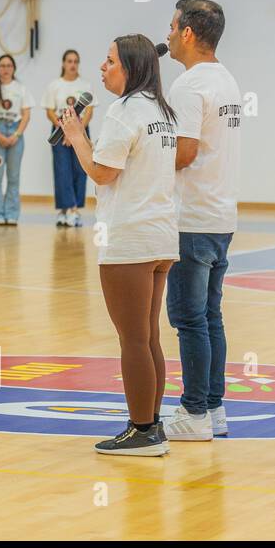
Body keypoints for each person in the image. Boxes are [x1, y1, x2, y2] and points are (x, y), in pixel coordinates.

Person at [59, 35, 177, 456]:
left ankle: (142, 430)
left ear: (129, 67)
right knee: (148, 337)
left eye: (109, 61)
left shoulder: (124, 110)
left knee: (133, 340)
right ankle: (152, 425)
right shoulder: (163, 111)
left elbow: (103, 173)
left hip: (130, 238)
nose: (102, 67)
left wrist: (75, 135)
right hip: (161, 237)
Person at [162, 0, 241, 442]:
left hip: (192, 217)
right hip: (220, 214)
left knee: (189, 318)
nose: (169, 34)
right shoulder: (226, 80)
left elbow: (185, 152)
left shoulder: (189, 86)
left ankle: (193, 414)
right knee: (210, 316)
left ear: (188, 33)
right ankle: (214, 408)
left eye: (173, 27)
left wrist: (145, 158)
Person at [43, 49, 94, 227]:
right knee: (62, 169)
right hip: (59, 131)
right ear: (63, 63)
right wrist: (64, 129)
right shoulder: (55, 85)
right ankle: (65, 210)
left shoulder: (85, 85)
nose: (72, 64)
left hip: (80, 131)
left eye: (75, 61)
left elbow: (89, 110)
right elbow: (49, 110)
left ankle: (75, 210)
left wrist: (77, 131)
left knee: (80, 169)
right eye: (69, 61)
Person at [0, 54, 32, 226]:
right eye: (2, 66)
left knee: (13, 176)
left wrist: (16, 135)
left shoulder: (21, 89)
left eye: (9, 65)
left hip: (15, 133)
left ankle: (11, 213)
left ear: (14, 68)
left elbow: (26, 115)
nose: (5, 69)